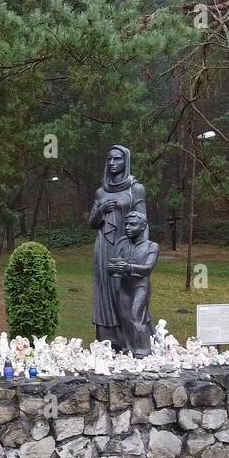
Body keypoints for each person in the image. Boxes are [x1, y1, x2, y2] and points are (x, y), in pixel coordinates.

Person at [88, 144, 146, 349]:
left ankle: (132, 341)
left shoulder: (135, 189)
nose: (112, 163)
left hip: (126, 246)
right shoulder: (101, 191)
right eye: (109, 159)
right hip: (103, 246)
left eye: (117, 159)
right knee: (104, 291)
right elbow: (92, 223)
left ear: (126, 161)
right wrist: (101, 210)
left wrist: (142, 251)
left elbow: (143, 221)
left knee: (124, 292)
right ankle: (107, 340)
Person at [107, 210, 159, 357]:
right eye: (127, 224)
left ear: (143, 226)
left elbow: (148, 269)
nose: (128, 227)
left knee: (137, 317)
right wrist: (112, 269)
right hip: (125, 285)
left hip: (140, 286)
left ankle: (143, 350)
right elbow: (117, 265)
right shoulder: (124, 246)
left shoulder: (151, 246)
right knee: (124, 317)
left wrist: (128, 267)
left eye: (133, 224)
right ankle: (130, 348)